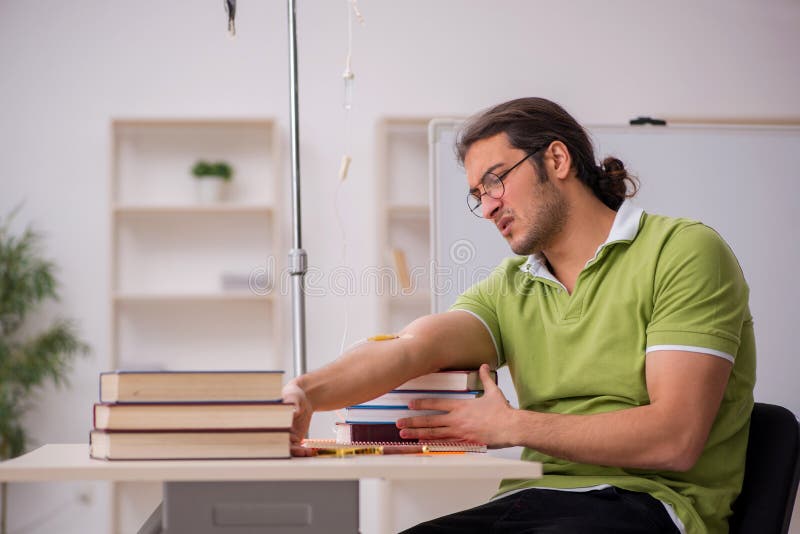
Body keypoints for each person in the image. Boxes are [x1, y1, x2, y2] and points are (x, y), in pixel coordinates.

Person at [282, 97, 755, 534]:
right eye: (477, 194)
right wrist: (305, 394)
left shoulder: (683, 252)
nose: (487, 206)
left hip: (653, 505)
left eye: (495, 179)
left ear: (557, 159)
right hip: (535, 501)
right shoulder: (512, 285)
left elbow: (674, 439)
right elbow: (412, 349)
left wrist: (512, 426)